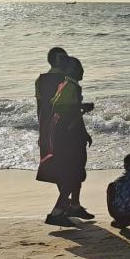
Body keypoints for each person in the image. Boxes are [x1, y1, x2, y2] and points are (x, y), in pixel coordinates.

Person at [36, 56, 94, 225]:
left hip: (65, 133)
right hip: (67, 136)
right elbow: (63, 111)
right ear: (72, 71)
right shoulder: (70, 86)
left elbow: (60, 110)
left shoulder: (66, 85)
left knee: (74, 171)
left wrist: (83, 130)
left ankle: (73, 206)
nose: (82, 71)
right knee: (72, 173)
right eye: (80, 68)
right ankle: (57, 213)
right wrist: (82, 108)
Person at [35, 47, 68, 159]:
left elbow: (40, 109)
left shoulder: (40, 80)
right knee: (66, 165)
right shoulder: (67, 80)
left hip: (46, 126)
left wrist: (41, 133)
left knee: (48, 165)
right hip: (64, 127)